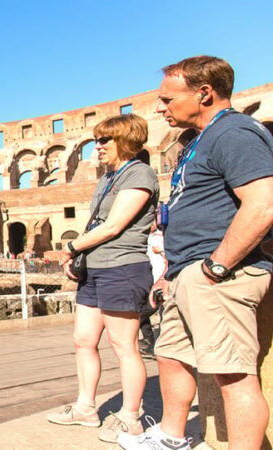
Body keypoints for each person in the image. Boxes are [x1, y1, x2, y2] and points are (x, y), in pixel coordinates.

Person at [119, 56, 273, 450]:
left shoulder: (234, 132)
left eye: (168, 99)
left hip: (218, 274)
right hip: (186, 274)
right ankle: (171, 437)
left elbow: (264, 203)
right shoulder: (202, 140)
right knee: (171, 355)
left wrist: (216, 266)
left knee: (233, 374)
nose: (160, 107)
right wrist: (172, 273)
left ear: (204, 93)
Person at [50, 114, 159, 443]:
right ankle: (86, 407)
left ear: (125, 140)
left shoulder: (140, 174)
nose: (96, 147)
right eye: (96, 140)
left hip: (123, 267)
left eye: (104, 141)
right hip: (96, 269)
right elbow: (96, 224)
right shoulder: (108, 177)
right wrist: (77, 257)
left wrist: (68, 246)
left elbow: (114, 226)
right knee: (83, 340)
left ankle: (130, 417)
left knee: (124, 345)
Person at [138, 222, 165, 360]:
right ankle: (149, 341)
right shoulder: (143, 237)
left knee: (146, 312)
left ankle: (155, 344)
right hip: (148, 279)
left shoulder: (162, 235)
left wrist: (160, 251)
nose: (152, 224)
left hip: (161, 279)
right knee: (144, 312)